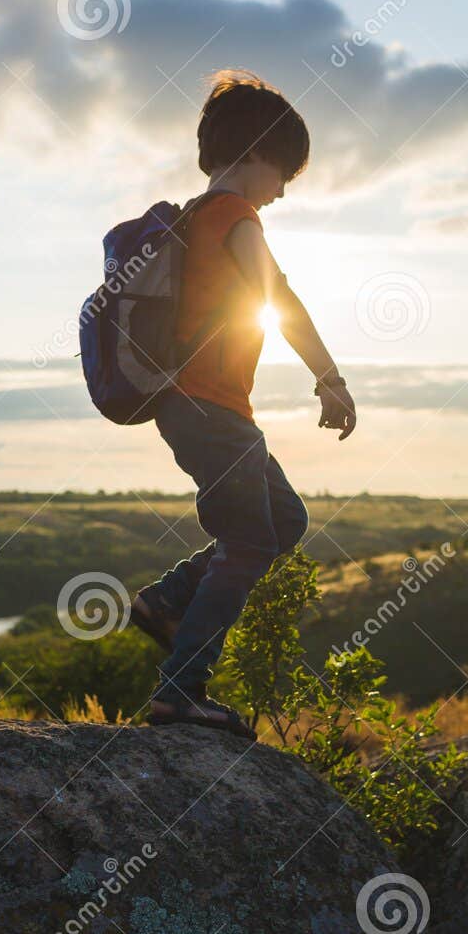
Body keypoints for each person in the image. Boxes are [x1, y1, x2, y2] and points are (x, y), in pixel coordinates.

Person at [130, 71, 357, 740]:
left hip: (207, 407)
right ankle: (182, 688)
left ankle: (169, 598)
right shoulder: (233, 215)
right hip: (209, 407)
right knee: (252, 537)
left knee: (284, 519)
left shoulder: (198, 217)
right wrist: (329, 376)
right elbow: (277, 298)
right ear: (257, 151)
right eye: (283, 170)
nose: (284, 188)